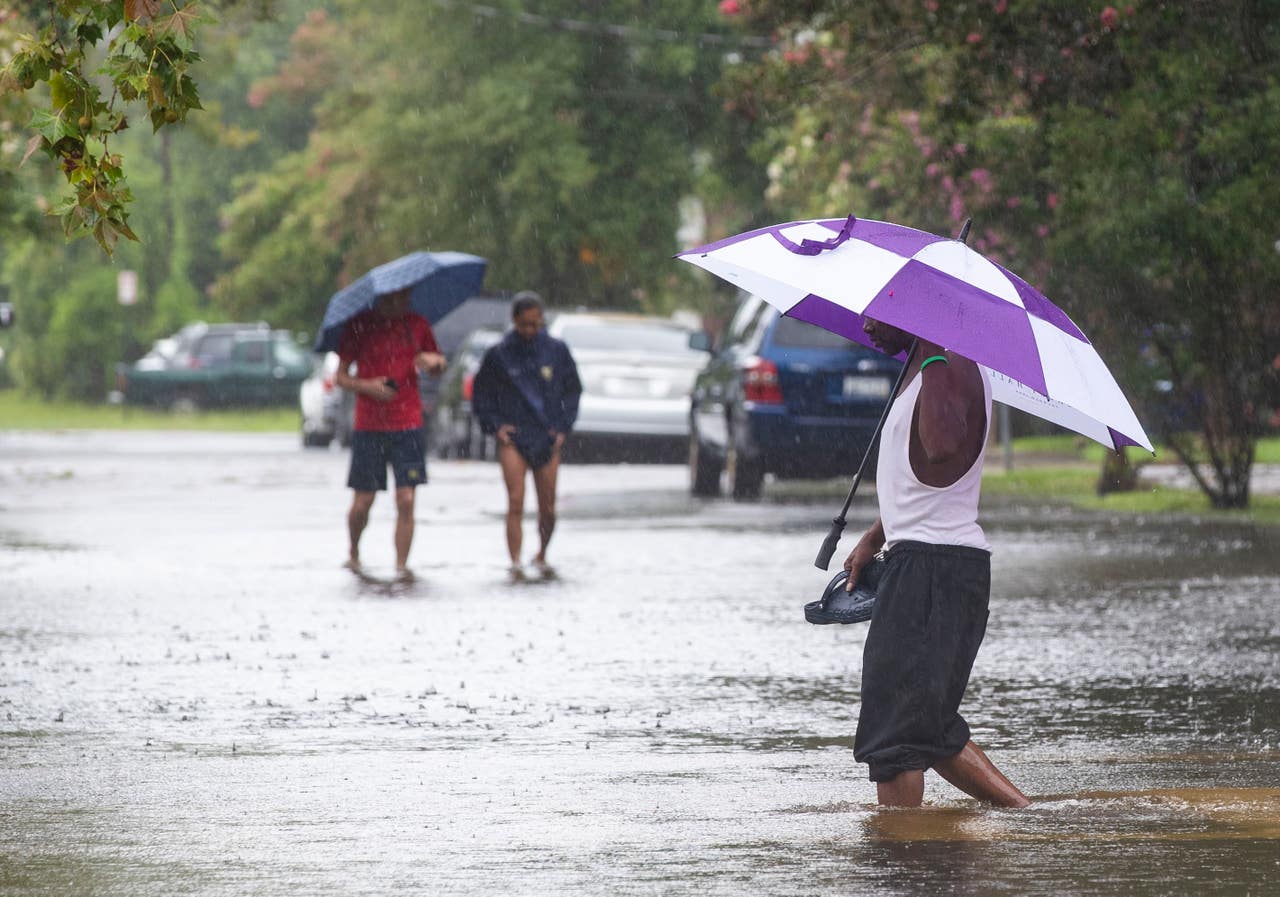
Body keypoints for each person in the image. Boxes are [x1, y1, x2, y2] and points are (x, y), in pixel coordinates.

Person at [843, 316, 1030, 809]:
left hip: (932, 571)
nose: (867, 324)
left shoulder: (946, 360)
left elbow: (942, 445)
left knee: (894, 740)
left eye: (878, 310)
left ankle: (903, 850)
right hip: (927, 563)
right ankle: (1028, 818)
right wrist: (876, 536)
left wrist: (929, 342)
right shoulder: (929, 363)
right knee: (926, 726)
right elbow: (924, 481)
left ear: (914, 309)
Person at [334, 287, 446, 580]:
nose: (398, 305)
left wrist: (435, 363)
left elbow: (438, 364)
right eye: (392, 299)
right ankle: (353, 551)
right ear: (380, 298)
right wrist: (368, 386)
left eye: (403, 299)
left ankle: (401, 566)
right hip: (369, 425)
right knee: (363, 501)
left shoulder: (417, 325)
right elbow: (340, 377)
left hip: (408, 423)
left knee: (406, 498)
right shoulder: (360, 325)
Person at [471, 292, 581, 579]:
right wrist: (495, 426)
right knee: (516, 500)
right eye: (524, 325)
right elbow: (481, 395)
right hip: (514, 437)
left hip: (547, 435)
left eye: (535, 324)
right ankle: (515, 561)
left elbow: (572, 390)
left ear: (542, 320)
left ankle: (542, 552)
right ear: (514, 321)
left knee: (548, 507)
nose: (530, 330)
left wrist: (563, 428)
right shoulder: (499, 354)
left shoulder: (557, 351)